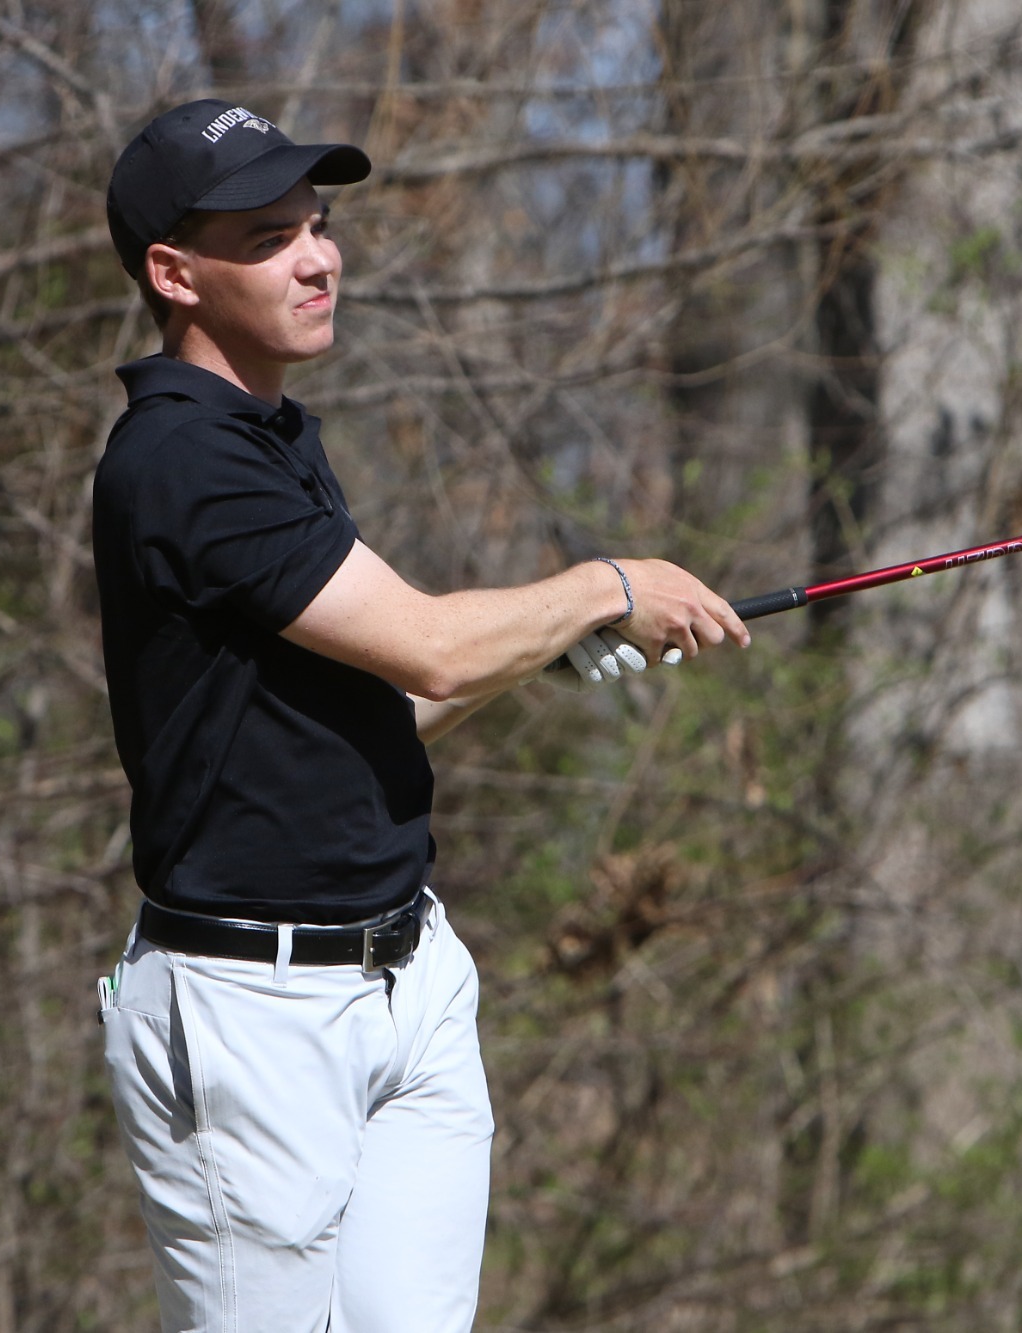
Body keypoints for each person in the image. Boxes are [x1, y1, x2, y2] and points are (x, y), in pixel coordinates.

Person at [92, 99, 749, 1333]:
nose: (316, 255)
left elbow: (373, 706)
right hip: (251, 1017)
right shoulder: (181, 460)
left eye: (318, 222)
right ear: (173, 274)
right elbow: (436, 648)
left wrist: (544, 652)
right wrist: (606, 587)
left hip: (408, 981)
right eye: (266, 235)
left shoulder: (275, 435)